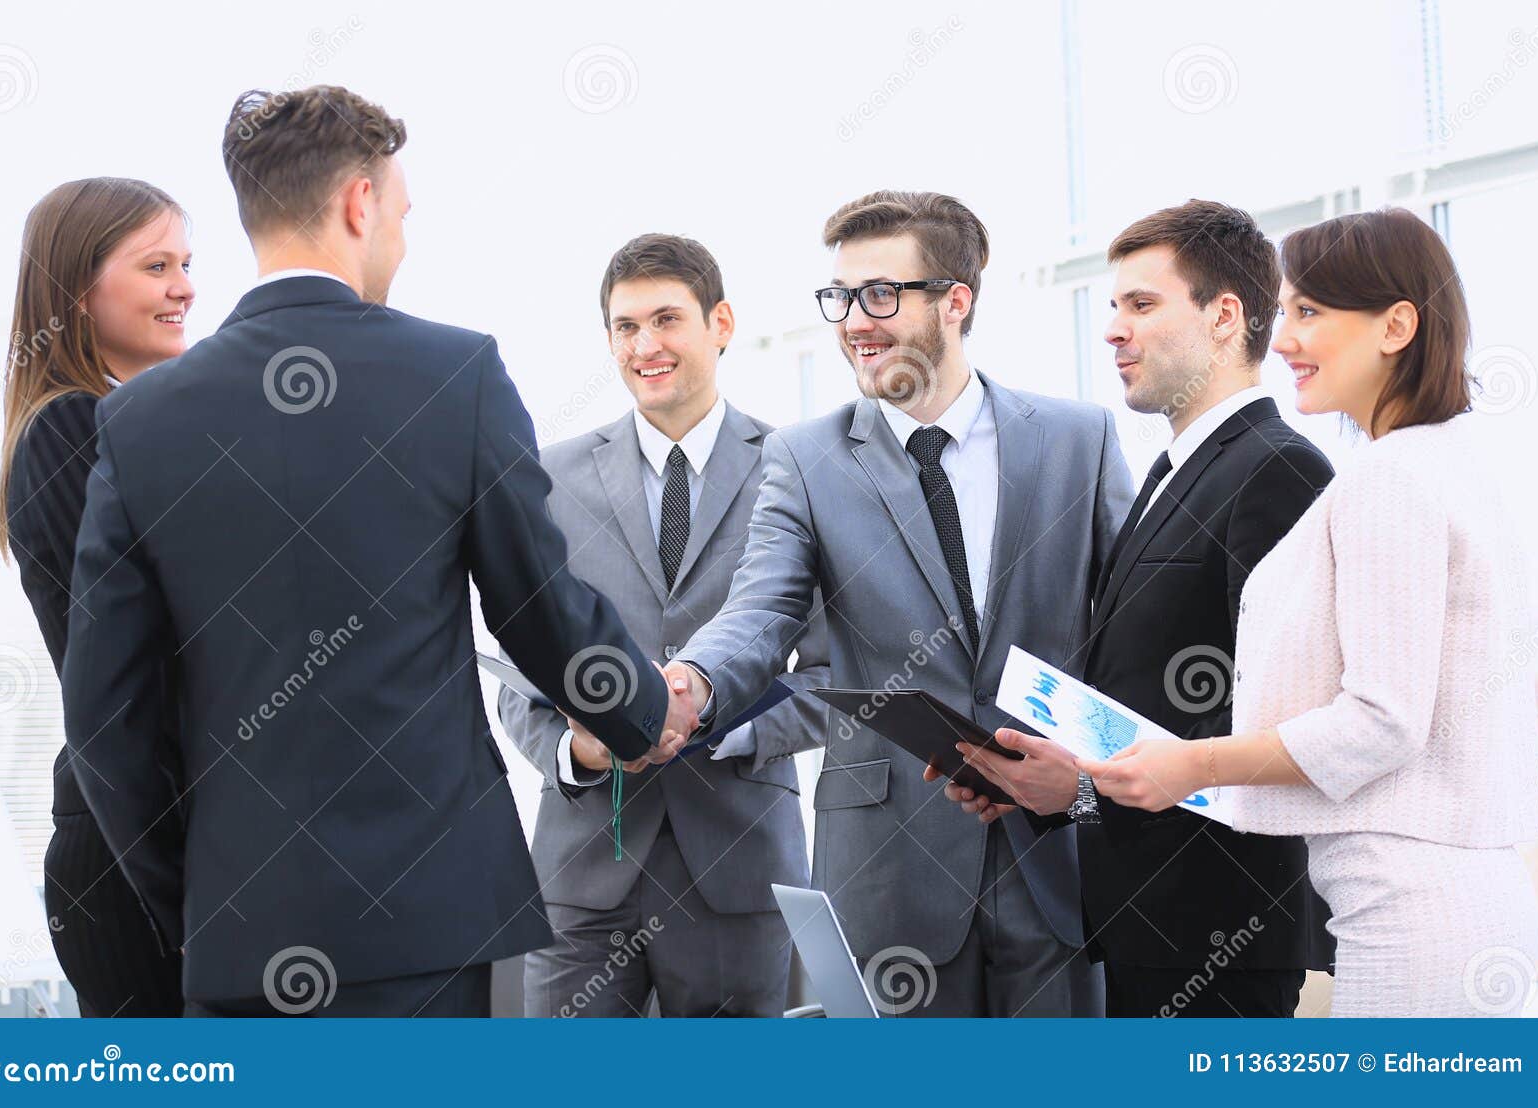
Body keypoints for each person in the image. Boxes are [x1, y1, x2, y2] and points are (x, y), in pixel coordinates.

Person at [60, 85, 696, 1017]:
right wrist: (642, 711)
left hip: (243, 936)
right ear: (359, 203)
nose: (400, 237)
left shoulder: (138, 421)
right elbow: (539, 607)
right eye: (401, 212)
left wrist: (197, 899)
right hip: (428, 920)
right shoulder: (454, 375)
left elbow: (103, 719)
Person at [668, 190, 1133, 1017]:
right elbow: (761, 611)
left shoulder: (1078, 438)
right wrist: (693, 682)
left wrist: (1105, 781)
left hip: (1057, 852)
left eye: (881, 295)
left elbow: (1133, 628)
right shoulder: (806, 458)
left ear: (956, 301)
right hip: (890, 865)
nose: (855, 322)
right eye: (841, 297)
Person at [1084, 207, 1538, 1017]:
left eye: (1309, 313)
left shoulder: (1389, 476)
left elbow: (1381, 721)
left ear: (1396, 326)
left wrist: (1190, 765)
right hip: (1451, 891)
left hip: (1407, 905)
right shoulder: (1445, 459)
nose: (1285, 340)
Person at [939, 200, 1336, 1017]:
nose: (1114, 329)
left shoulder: (1279, 470)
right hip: (1143, 921)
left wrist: (1083, 787)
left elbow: (1284, 728)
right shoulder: (1169, 473)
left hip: (1218, 927)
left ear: (1225, 317)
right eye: (1114, 305)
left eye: (1143, 304)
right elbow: (1155, 702)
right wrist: (1051, 783)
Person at [496, 233, 830, 1017]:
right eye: (625, 326)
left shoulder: (799, 470)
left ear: (721, 323)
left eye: (667, 320)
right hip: (581, 867)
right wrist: (578, 750)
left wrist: (712, 724)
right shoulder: (550, 478)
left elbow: (830, 675)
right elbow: (518, 672)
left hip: (738, 866)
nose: (644, 346)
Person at [0, 177, 193, 1017]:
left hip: (153, 832)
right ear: (79, 291)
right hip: (128, 850)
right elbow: (156, 645)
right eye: (156, 266)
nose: (184, 287)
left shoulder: (124, 423)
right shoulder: (70, 427)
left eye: (186, 264)